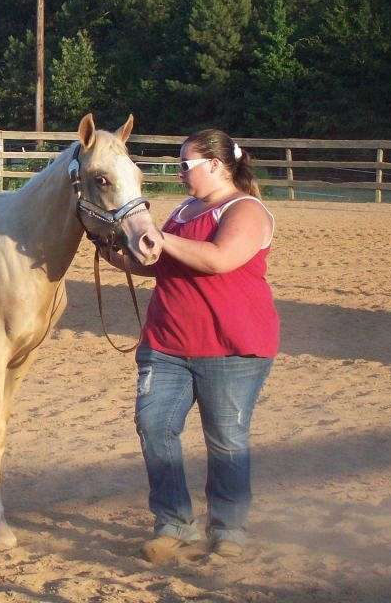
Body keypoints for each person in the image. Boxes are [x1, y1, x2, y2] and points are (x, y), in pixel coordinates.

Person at [101, 128, 279, 563]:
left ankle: (229, 529)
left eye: (186, 165)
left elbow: (218, 259)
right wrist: (115, 252)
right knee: (154, 426)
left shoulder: (246, 210)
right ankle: (173, 523)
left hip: (232, 346)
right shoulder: (183, 210)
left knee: (226, 439)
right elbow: (160, 263)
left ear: (217, 166)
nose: (180, 173)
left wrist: (162, 239)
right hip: (166, 343)